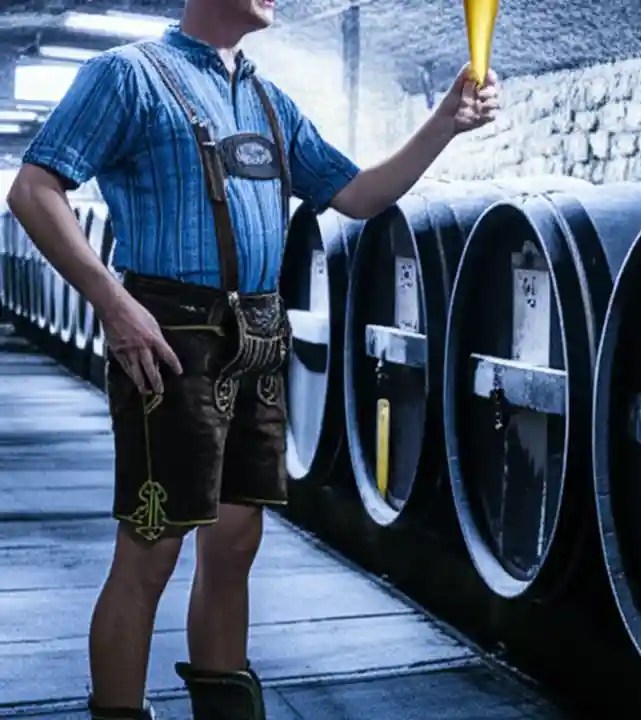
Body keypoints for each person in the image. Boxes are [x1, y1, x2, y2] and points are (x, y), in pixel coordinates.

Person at [6, 0, 500, 717]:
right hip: (170, 340)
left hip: (258, 337)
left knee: (237, 540)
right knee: (151, 550)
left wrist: (445, 123)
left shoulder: (268, 100)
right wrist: (112, 303)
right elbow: (34, 189)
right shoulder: (128, 76)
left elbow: (358, 195)